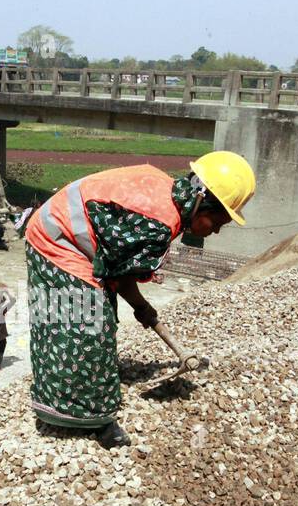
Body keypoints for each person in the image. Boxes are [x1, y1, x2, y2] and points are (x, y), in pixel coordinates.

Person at [25, 153, 254, 448]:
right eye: (217, 221)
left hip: (61, 230)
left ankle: (63, 391)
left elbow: (118, 268)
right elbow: (119, 275)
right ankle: (89, 418)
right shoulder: (157, 222)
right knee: (89, 325)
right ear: (202, 203)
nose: (217, 230)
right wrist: (142, 306)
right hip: (57, 238)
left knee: (71, 319)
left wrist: (141, 307)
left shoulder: (166, 192)